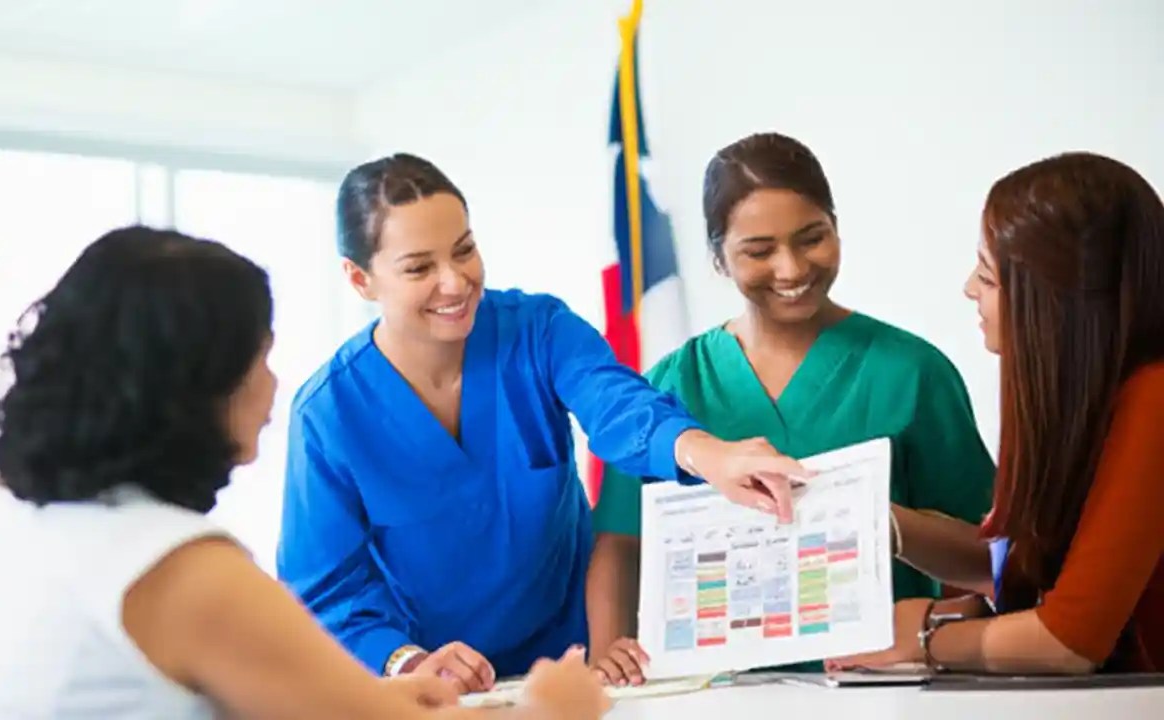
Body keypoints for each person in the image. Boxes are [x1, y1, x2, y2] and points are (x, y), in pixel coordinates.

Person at [0, 226, 611, 719]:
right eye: (260, 358)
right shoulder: (177, 568)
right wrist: (556, 708)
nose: (273, 389)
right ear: (196, 388)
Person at [278, 153, 808, 692]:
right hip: (442, 685)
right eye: (419, 268)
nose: (456, 282)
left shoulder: (537, 330)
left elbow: (617, 403)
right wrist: (407, 662)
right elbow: (327, 589)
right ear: (361, 279)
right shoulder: (328, 415)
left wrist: (704, 451)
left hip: (576, 662)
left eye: (465, 250)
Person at [585, 133, 996, 685]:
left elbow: (988, 555)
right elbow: (620, 539)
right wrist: (608, 652)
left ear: (836, 228)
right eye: (758, 251)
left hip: (879, 686)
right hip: (711, 693)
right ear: (717, 258)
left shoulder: (912, 371)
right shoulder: (671, 384)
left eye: (812, 239)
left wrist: (879, 525)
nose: (791, 268)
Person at [831, 152, 1164, 674]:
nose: (968, 288)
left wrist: (925, 637)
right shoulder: (1060, 398)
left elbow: (1070, 641)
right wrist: (872, 522)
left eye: (987, 275)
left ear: (1051, 303)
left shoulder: (1154, 401)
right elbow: (1014, 568)